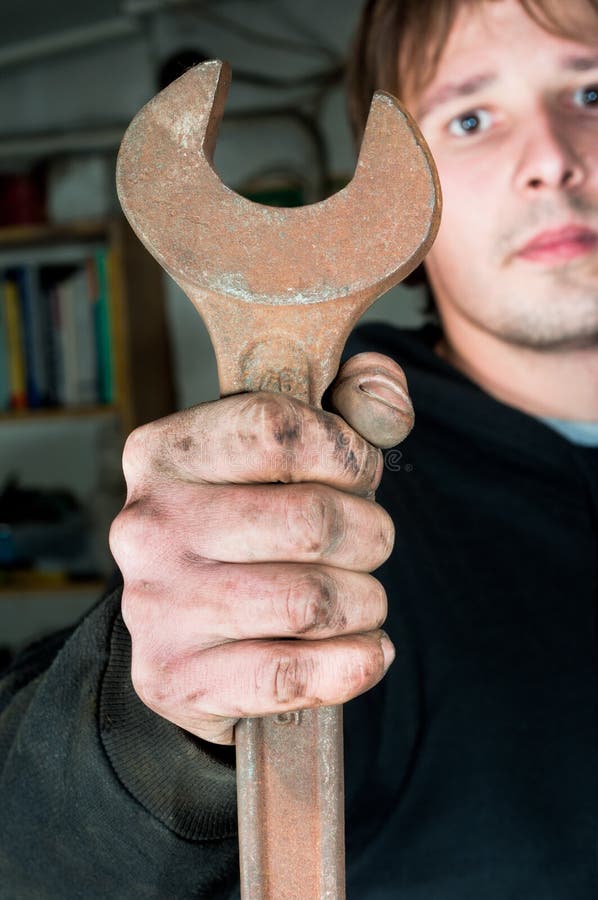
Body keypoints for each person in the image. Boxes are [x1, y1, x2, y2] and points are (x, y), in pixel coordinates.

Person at [2, 0, 598, 896]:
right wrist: (149, 727)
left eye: (591, 91)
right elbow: (38, 856)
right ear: (418, 182)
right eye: (470, 117)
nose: (551, 159)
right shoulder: (334, 490)